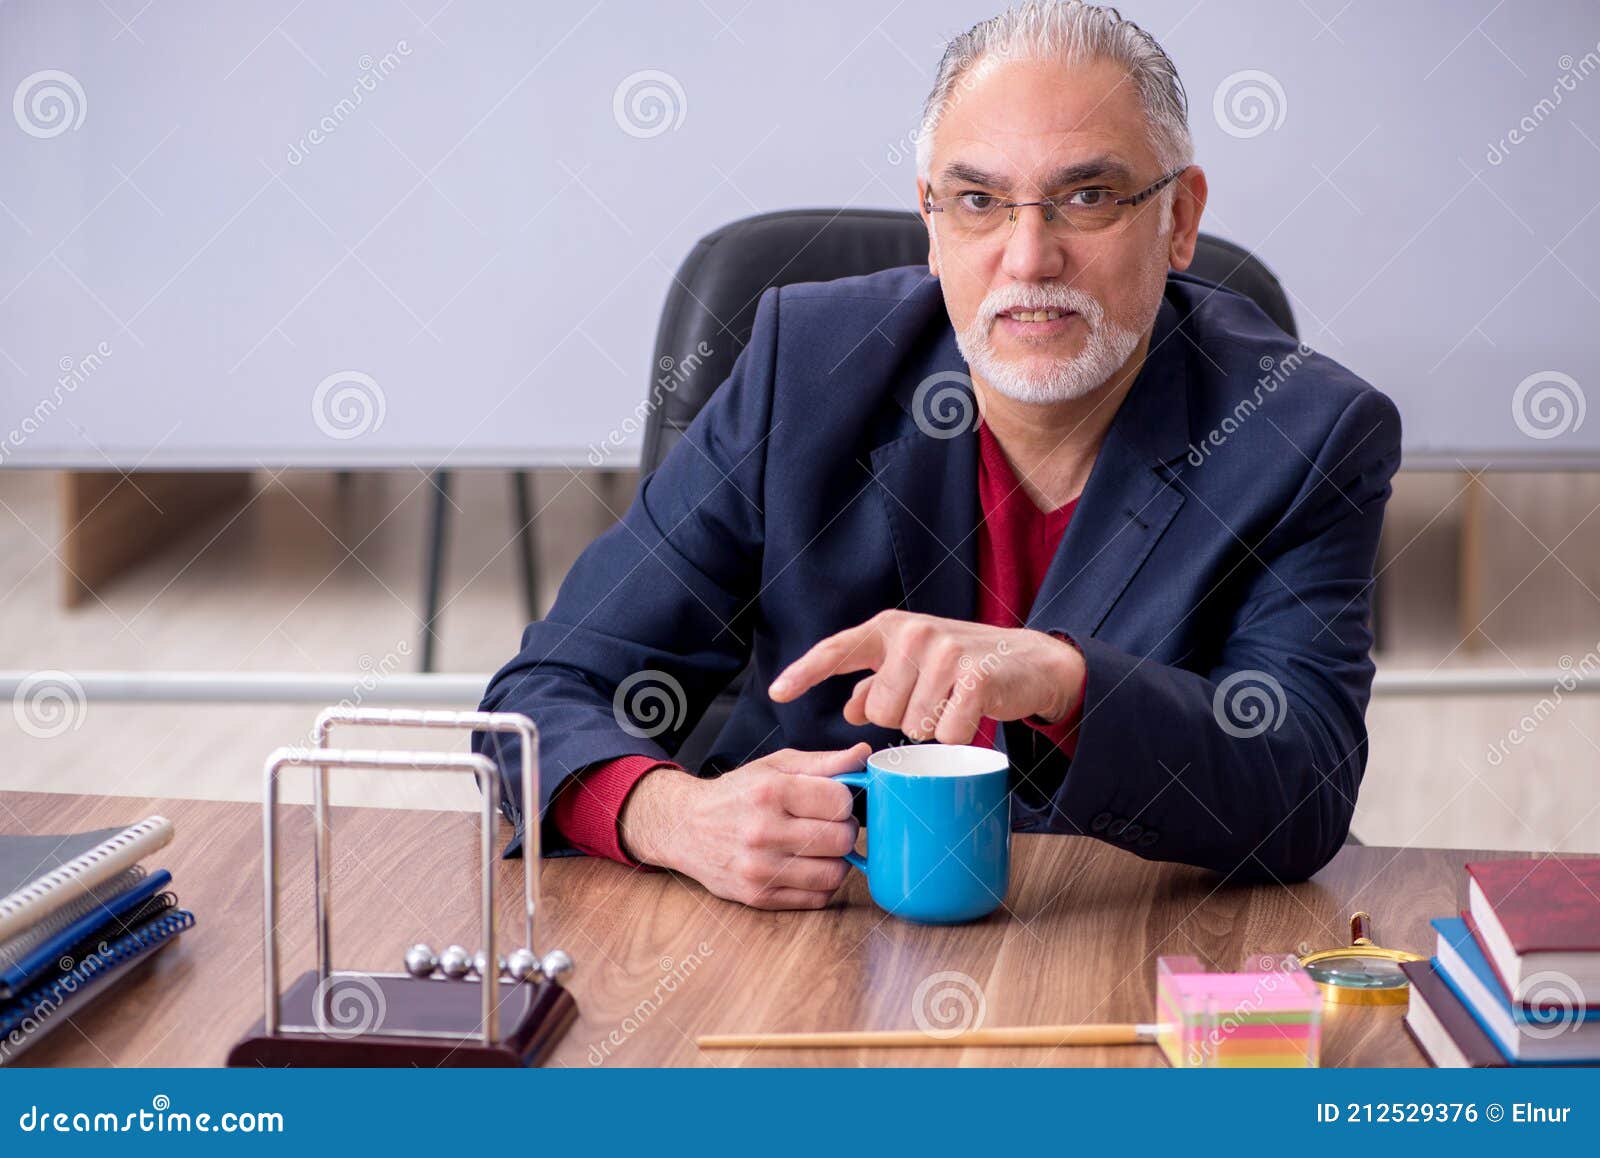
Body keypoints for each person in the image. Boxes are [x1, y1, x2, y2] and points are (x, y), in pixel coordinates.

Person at [474, 0, 1401, 909]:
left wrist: (1064, 680)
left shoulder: (1305, 431)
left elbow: (1304, 786)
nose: (1029, 257)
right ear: (931, 219)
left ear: (1180, 218)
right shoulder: (809, 368)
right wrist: (669, 815)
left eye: (1087, 197)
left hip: (1120, 956)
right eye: (979, 202)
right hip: (815, 940)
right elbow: (541, 697)